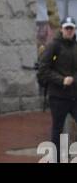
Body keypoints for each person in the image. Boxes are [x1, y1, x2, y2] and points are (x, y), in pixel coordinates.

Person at [37, 17, 77, 161]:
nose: (69, 31)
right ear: (61, 29)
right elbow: (43, 70)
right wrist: (61, 80)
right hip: (58, 96)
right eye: (67, 28)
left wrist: (73, 79)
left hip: (74, 95)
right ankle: (57, 159)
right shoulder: (54, 46)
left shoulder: (75, 46)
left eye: (71, 28)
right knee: (58, 130)